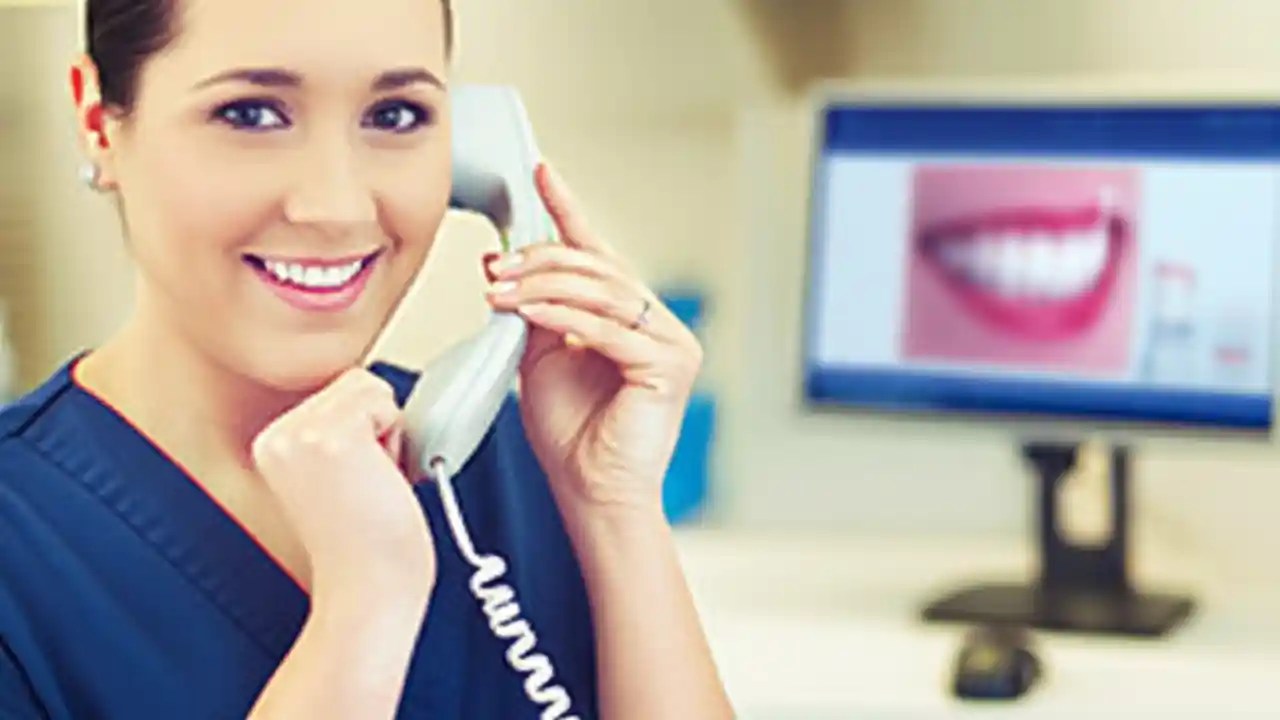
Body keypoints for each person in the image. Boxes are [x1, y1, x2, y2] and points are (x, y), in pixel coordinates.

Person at [0, 0, 735, 718]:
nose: (338, 207)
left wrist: (613, 510)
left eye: (395, 115)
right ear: (98, 121)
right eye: (251, 113)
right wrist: (363, 614)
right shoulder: (25, 537)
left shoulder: (516, 464)